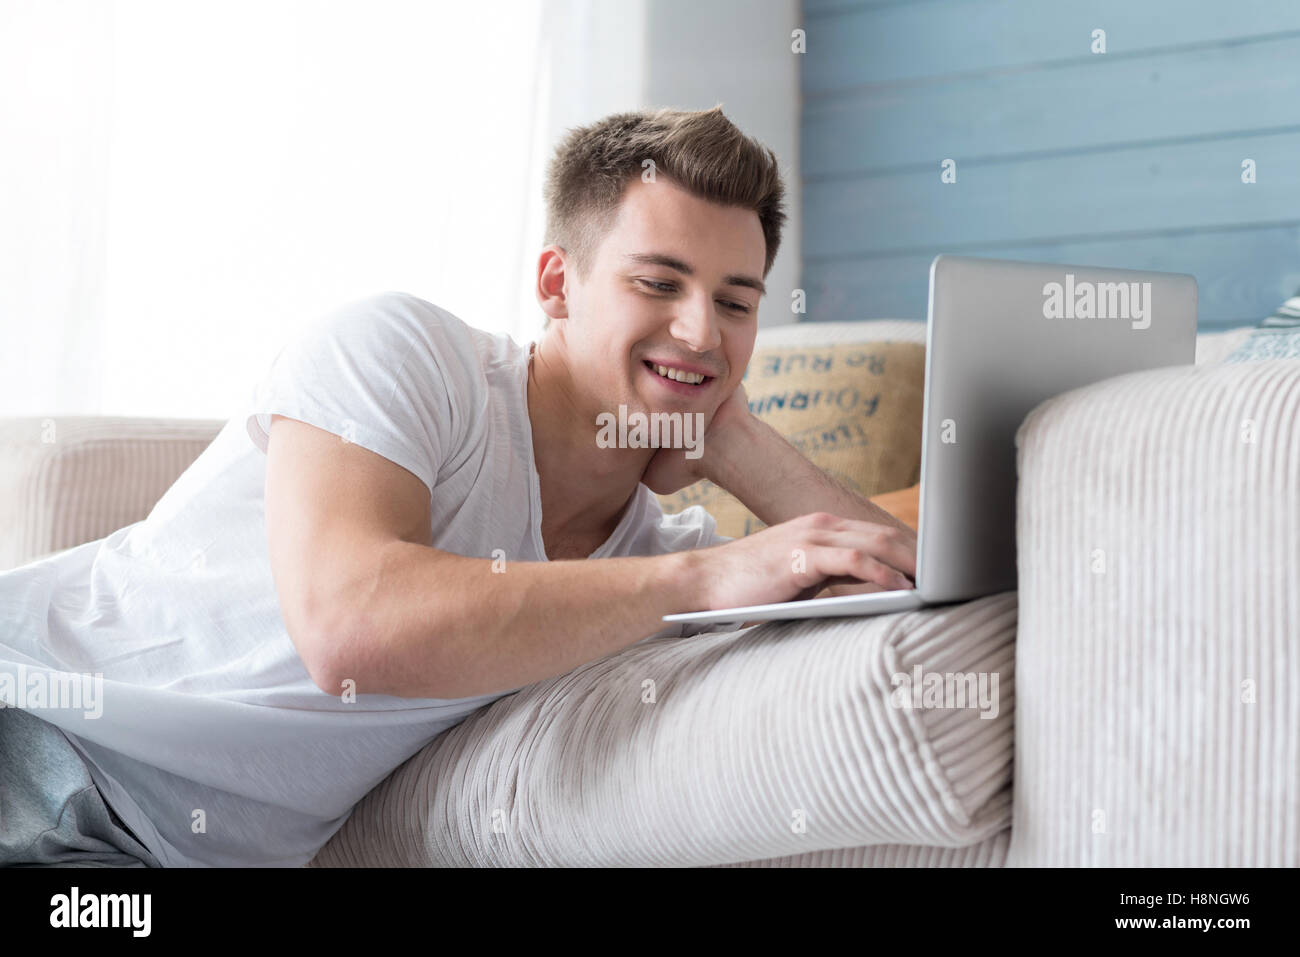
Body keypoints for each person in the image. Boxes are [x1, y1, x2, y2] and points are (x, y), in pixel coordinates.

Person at [0, 105, 915, 868]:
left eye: (735, 302)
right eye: (659, 282)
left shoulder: (643, 558)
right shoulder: (404, 355)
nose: (700, 330)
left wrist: (739, 441)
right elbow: (351, 627)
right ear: (558, 282)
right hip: (37, 744)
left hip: (132, 855)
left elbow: (905, 586)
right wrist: (710, 579)